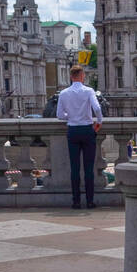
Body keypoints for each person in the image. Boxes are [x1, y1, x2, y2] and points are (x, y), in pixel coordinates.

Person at [56, 65, 103, 209]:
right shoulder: (89, 91)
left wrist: (69, 116)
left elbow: (59, 115)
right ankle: (90, 201)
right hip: (87, 130)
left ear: (71, 77)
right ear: (82, 76)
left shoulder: (63, 93)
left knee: (75, 168)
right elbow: (97, 108)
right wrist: (99, 122)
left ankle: (76, 201)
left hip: (73, 131)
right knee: (89, 169)